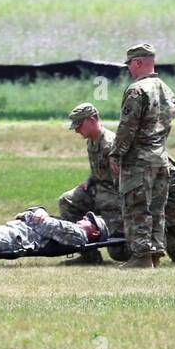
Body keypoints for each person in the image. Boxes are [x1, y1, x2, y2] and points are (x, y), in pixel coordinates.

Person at [110, 42, 175, 268]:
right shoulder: (166, 89)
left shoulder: (137, 90)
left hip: (138, 160)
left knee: (137, 208)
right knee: (157, 209)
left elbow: (127, 127)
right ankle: (155, 254)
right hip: (161, 158)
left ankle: (141, 256)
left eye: (129, 64)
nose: (129, 68)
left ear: (138, 62)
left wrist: (116, 154)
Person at [60, 102, 125, 263]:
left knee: (119, 251)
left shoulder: (110, 144)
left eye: (79, 125)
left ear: (91, 120)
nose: (76, 130)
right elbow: (98, 170)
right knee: (67, 200)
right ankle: (89, 255)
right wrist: (89, 182)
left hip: (114, 196)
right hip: (98, 190)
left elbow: (123, 178)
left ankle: (149, 247)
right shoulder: (91, 141)